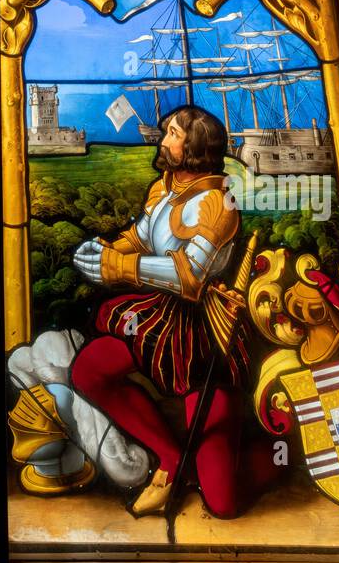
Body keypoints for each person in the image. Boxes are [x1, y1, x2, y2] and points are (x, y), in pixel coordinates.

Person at [69, 107, 252, 518]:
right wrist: (104, 252)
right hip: (157, 315)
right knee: (89, 371)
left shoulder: (217, 202)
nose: (163, 141)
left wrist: (120, 268)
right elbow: (140, 236)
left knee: (222, 503)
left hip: (204, 329)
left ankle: (253, 459)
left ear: (194, 148)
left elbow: (190, 275)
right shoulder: (164, 189)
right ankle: (171, 460)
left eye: (172, 134)